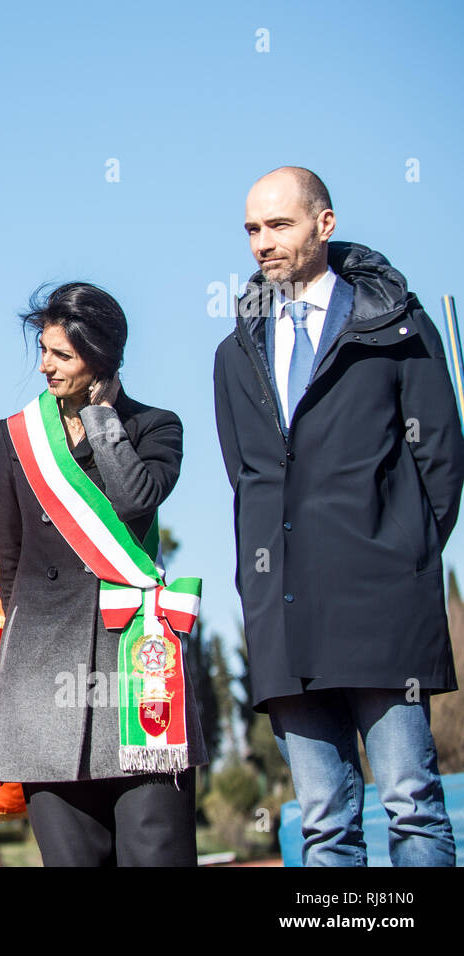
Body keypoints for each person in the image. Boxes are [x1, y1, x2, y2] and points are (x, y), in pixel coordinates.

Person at [212, 167, 463, 867]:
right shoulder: (233, 356)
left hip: (385, 606)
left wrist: (403, 555)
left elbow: (440, 460)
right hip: (285, 620)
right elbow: (249, 484)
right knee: (324, 823)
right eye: (253, 230)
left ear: (325, 223)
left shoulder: (398, 329)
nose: (263, 243)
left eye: (280, 225)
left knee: (412, 804)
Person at [0, 282, 207, 866]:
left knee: (156, 854)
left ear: (102, 359)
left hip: (137, 668)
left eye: (62, 354)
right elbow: (7, 559)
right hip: (42, 680)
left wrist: (103, 420)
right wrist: (30, 645)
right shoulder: (14, 438)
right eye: (43, 349)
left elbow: (136, 500)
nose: (45, 366)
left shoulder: (157, 426)